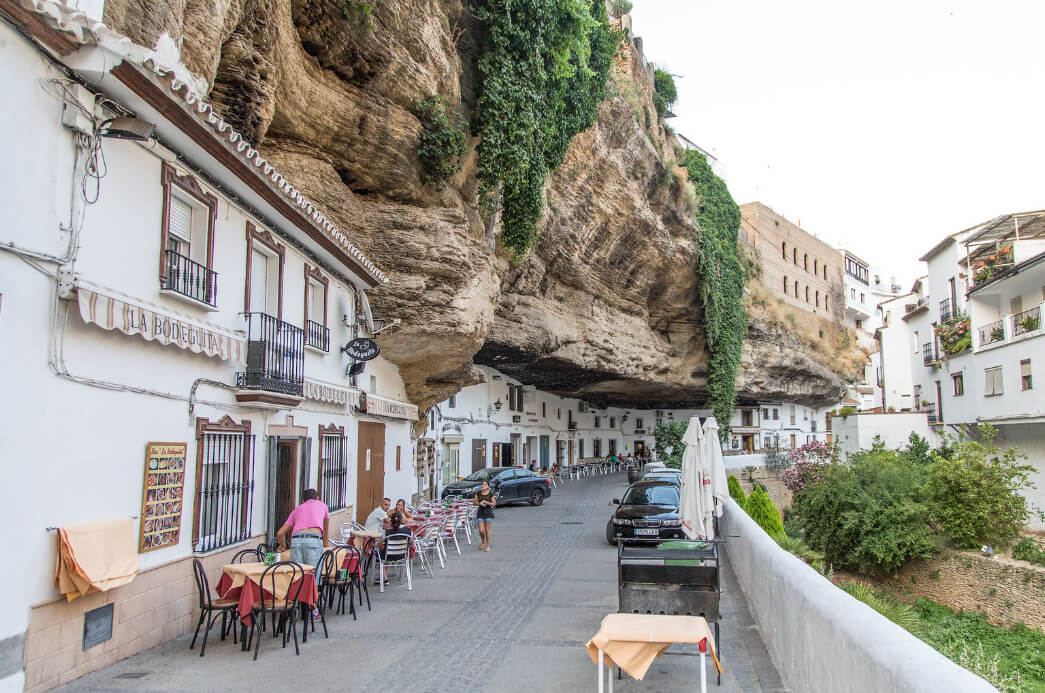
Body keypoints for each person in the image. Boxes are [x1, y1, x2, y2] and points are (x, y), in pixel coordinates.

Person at [275, 489, 329, 569]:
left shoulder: (297, 509)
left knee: (298, 574)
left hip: (296, 540)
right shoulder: (323, 506)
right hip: (314, 539)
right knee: (313, 574)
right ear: (317, 498)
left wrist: (283, 546)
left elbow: (280, 533)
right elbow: (325, 528)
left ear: (303, 501)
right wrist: (325, 544)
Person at [474, 479, 496, 551]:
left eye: (485, 484)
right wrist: (479, 503)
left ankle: (487, 545)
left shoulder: (490, 494)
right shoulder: (478, 493)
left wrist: (487, 503)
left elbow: (494, 504)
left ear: (488, 487)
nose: (483, 485)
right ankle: (483, 540)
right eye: (483, 484)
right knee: (481, 530)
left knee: (487, 530)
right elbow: (474, 502)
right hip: (480, 512)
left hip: (488, 513)